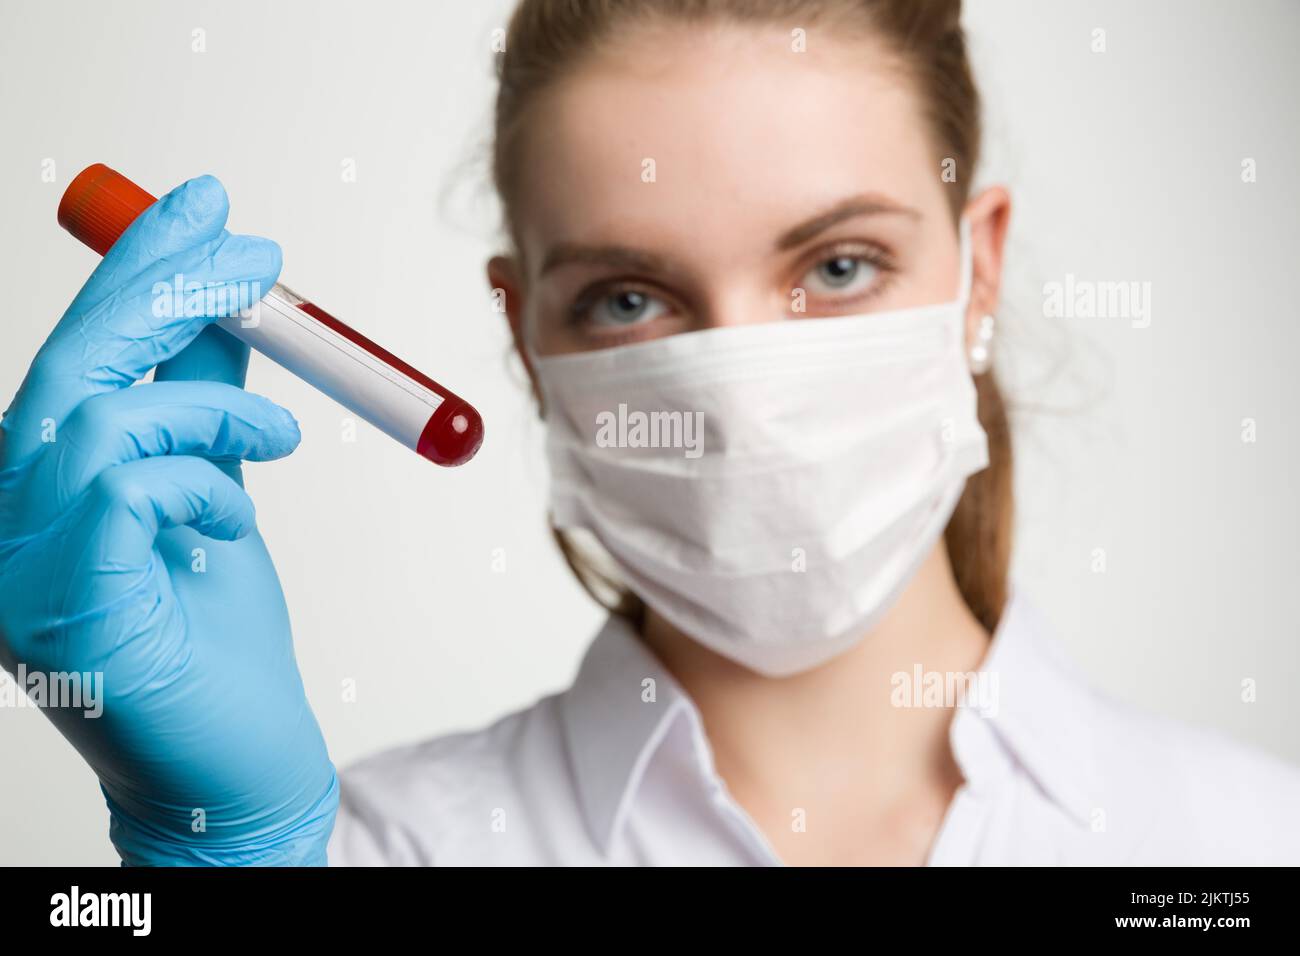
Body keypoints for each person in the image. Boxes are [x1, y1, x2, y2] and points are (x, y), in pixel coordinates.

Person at [1, 0, 1296, 867]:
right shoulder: (377, 852)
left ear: (981, 265)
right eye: (630, 297)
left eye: (839, 267)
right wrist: (215, 846)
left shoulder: (1241, 844)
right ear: (523, 335)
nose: (741, 389)